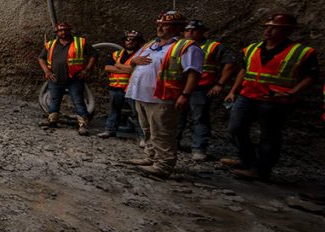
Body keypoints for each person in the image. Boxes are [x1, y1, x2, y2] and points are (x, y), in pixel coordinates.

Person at [222, 13, 319, 181]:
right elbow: (244, 70)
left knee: (269, 135)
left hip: (275, 100)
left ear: (287, 31)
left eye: (274, 28)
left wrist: (293, 91)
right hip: (248, 95)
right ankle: (247, 159)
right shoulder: (252, 48)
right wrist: (233, 91)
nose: (268, 30)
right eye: (267, 27)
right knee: (236, 128)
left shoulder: (301, 52)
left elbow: (311, 76)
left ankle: (262, 170)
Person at [123, 11, 203, 178]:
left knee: (162, 131)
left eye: (164, 24)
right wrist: (133, 61)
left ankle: (164, 164)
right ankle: (150, 157)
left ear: (177, 28)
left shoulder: (187, 47)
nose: (159, 27)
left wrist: (185, 95)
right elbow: (131, 62)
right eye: (158, 24)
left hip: (163, 96)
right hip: (141, 93)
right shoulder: (151, 44)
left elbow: (193, 73)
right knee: (147, 129)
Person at [175, 20, 238, 161]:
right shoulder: (180, 46)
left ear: (203, 32)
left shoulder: (213, 47)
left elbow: (231, 63)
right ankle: (174, 142)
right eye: (187, 30)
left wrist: (219, 84)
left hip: (201, 88)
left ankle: (198, 148)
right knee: (177, 116)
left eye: (194, 30)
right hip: (181, 87)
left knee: (200, 118)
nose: (189, 33)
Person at [37, 22, 98, 135]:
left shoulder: (80, 42)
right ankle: (52, 121)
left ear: (70, 31)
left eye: (65, 30)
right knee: (54, 100)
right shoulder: (51, 44)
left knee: (78, 101)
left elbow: (94, 54)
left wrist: (86, 70)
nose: (63, 32)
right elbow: (41, 58)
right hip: (55, 78)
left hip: (74, 79)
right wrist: (47, 71)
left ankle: (83, 125)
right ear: (57, 32)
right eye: (60, 31)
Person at [97, 31, 144, 139]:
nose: (130, 42)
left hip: (132, 89)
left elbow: (136, 70)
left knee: (137, 113)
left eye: (133, 40)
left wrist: (118, 65)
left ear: (139, 42)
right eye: (128, 39)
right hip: (115, 88)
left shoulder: (141, 55)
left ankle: (143, 137)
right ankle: (109, 130)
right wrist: (127, 69)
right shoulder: (116, 54)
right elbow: (107, 68)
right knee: (114, 111)